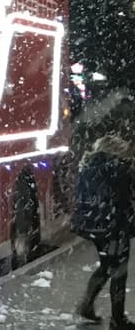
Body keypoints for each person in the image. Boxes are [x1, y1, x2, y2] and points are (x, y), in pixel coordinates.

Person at [72, 134, 135, 329]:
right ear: (116, 150)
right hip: (115, 226)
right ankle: (117, 319)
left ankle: (87, 307)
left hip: (96, 226)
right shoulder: (120, 168)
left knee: (107, 266)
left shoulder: (88, 166)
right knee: (119, 270)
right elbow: (126, 199)